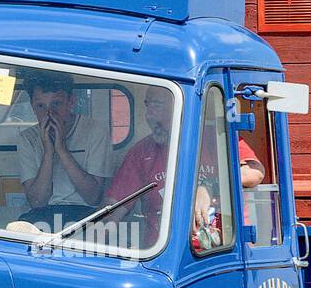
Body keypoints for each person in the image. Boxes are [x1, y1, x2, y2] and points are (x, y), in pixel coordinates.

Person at [106, 85, 264, 249]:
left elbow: (254, 173)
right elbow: (113, 208)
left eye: (157, 105)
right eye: (148, 105)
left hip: (224, 251)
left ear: (180, 109)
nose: (149, 114)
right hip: (163, 253)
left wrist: (208, 187)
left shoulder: (215, 137)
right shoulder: (141, 152)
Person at [17, 72, 111, 227]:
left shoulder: (95, 131)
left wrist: (62, 150)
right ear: (33, 108)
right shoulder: (27, 138)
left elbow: (93, 197)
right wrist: (48, 153)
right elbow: (37, 202)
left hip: (86, 214)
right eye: (41, 106)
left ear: (71, 102)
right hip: (43, 215)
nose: (49, 114)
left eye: (57, 104)